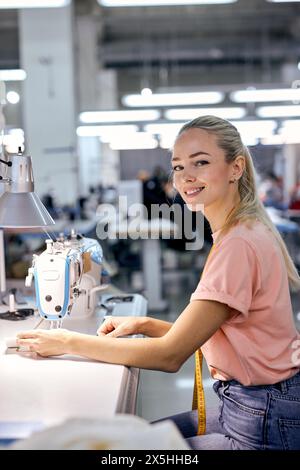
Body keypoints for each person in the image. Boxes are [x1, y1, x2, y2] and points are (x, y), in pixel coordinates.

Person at [17, 116, 300, 450]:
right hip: (253, 407)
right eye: (178, 167)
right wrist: (146, 323)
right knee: (126, 436)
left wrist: (67, 342)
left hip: (262, 421)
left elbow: (169, 356)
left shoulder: (239, 244)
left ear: (236, 168)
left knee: (119, 451)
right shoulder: (244, 229)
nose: (186, 177)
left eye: (201, 162)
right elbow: (228, 335)